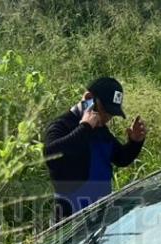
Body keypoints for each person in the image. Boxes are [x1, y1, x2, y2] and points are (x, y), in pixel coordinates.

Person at [43, 77, 148, 223]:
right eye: (105, 111)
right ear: (89, 99)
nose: (107, 118)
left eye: (111, 114)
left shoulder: (101, 130)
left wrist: (135, 142)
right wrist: (84, 128)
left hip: (102, 217)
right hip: (71, 222)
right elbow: (52, 156)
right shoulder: (62, 125)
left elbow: (121, 158)